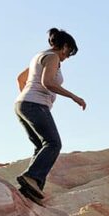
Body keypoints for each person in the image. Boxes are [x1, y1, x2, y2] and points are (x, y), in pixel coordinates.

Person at [14, 28, 87, 201]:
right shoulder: (53, 57)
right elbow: (47, 82)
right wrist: (74, 97)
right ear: (65, 46)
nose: (67, 57)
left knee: (41, 146)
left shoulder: (38, 56)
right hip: (34, 105)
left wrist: (27, 96)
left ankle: (30, 191)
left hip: (23, 104)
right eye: (69, 53)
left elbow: (20, 78)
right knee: (53, 143)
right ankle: (31, 177)